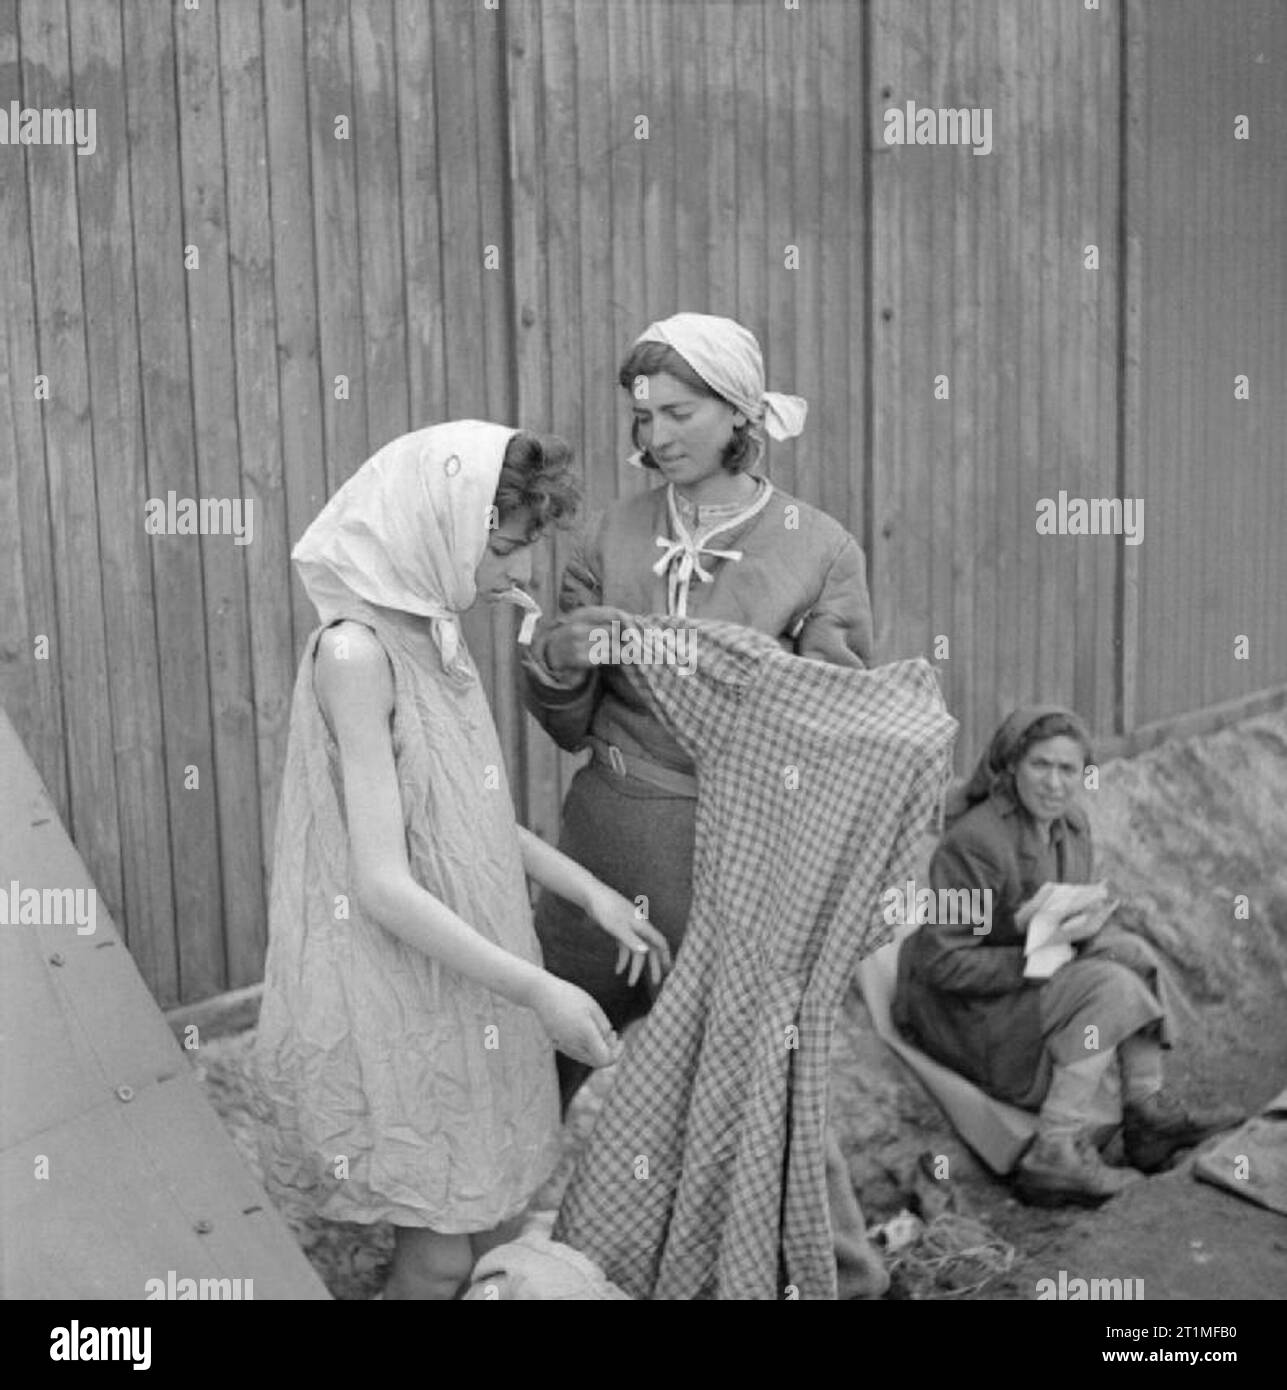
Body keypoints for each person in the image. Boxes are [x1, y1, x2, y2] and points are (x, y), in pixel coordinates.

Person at [254, 421, 670, 1300]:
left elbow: (464, 819)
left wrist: (587, 889)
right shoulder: (356, 653)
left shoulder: (433, 636)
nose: (518, 574)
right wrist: (540, 989)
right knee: (441, 1253)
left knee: (493, 1221)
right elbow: (380, 882)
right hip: (402, 979)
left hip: (468, 970)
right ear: (437, 522)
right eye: (506, 547)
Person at [522, 311, 875, 1106]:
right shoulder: (608, 537)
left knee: (742, 1086)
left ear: (739, 412)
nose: (658, 435)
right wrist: (566, 656)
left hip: (739, 859)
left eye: (680, 413)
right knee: (540, 1058)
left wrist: (739, 678)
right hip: (606, 844)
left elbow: (835, 722)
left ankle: (746, 1232)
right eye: (644, 417)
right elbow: (565, 722)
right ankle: (510, 1226)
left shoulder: (816, 549)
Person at [892, 706, 1240, 1207]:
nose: (1054, 784)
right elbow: (941, 964)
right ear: (1011, 767)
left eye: (1067, 769)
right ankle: (1053, 1152)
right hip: (962, 1014)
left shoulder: (1070, 828)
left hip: (1022, 978)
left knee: (1133, 955)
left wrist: (1077, 929)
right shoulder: (972, 844)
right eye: (1041, 766)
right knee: (1109, 986)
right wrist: (1036, 959)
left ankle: (1145, 1115)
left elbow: (1055, 920)